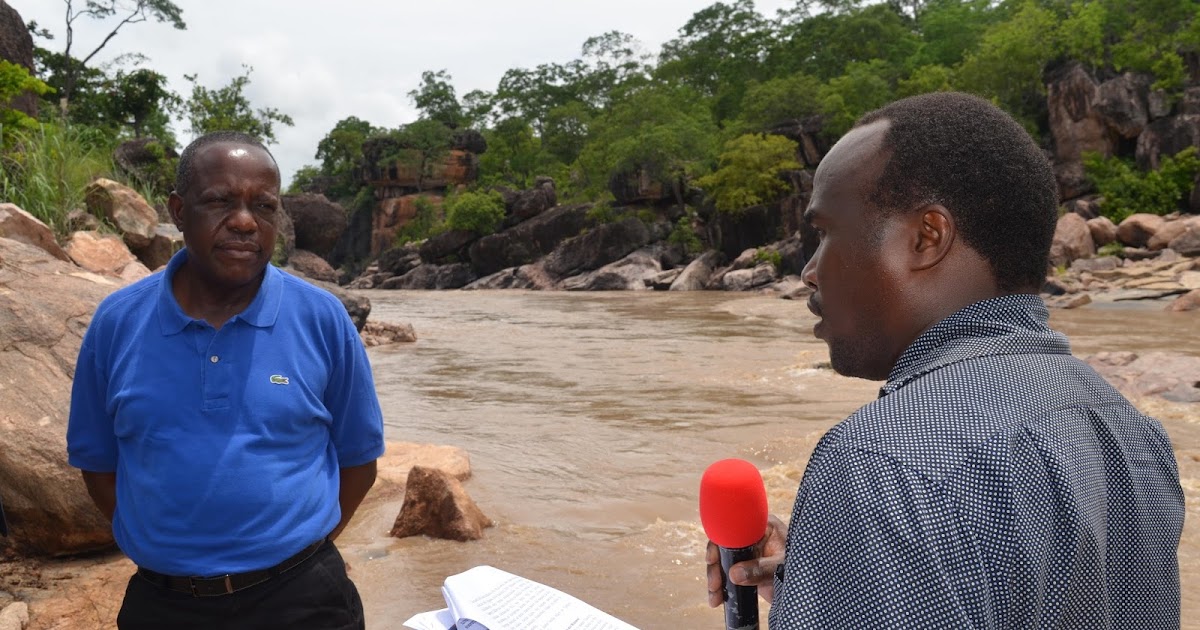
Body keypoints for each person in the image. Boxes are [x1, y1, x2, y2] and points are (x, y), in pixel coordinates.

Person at [706, 92, 1184, 628]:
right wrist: (828, 580)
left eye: (824, 234)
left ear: (927, 237)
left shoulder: (880, 464)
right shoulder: (1133, 432)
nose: (810, 272)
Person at [67, 131, 385, 630]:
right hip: (164, 605)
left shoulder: (322, 319)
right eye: (219, 201)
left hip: (304, 599)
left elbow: (359, 461)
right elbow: (98, 463)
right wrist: (170, 550)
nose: (244, 221)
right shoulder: (118, 323)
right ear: (178, 210)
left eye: (264, 206)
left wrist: (301, 551)